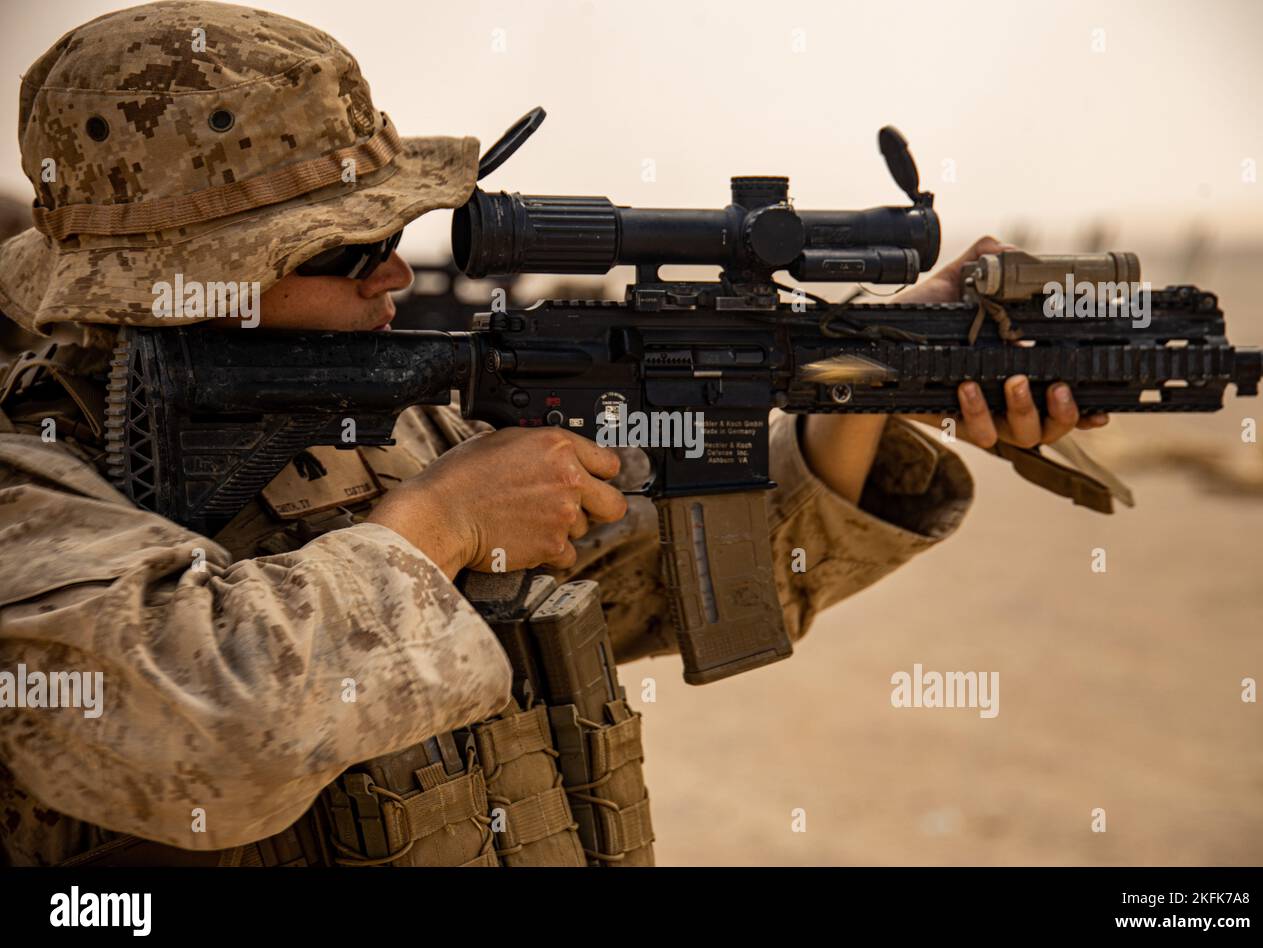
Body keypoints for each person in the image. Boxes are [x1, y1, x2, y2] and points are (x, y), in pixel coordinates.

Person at [0, 1, 1105, 867]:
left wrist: (857, 381)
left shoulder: (388, 418)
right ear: (177, 287)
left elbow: (655, 590)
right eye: (341, 251)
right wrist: (438, 522)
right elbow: (208, 731)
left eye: (392, 231)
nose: (394, 269)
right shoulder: (34, 477)